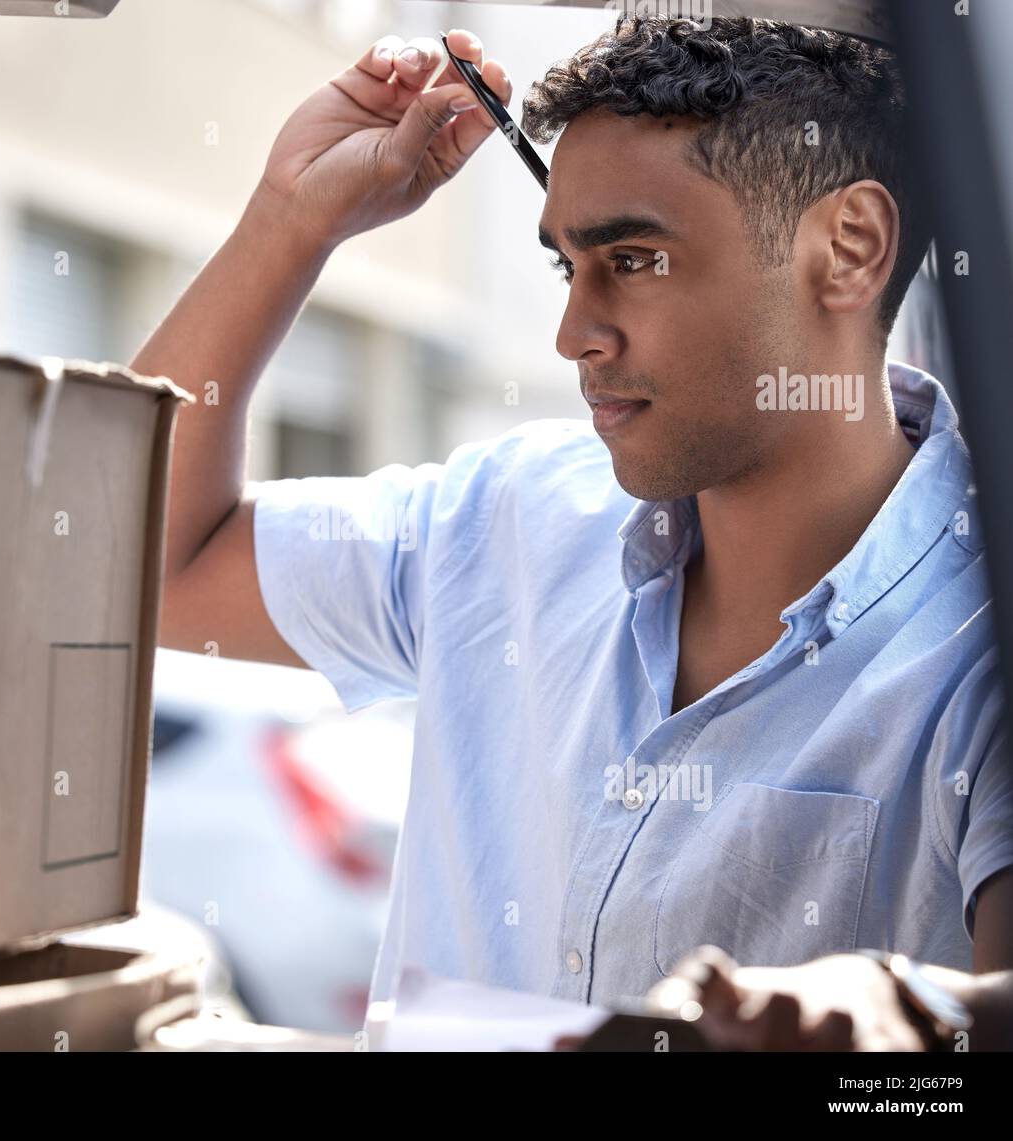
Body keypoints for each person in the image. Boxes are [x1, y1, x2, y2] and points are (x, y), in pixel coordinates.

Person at [132, 17, 1013, 1050]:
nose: (573, 335)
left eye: (633, 260)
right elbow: (147, 564)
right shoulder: (501, 518)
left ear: (848, 248)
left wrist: (900, 1002)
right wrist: (290, 222)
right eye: (565, 267)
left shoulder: (977, 641)